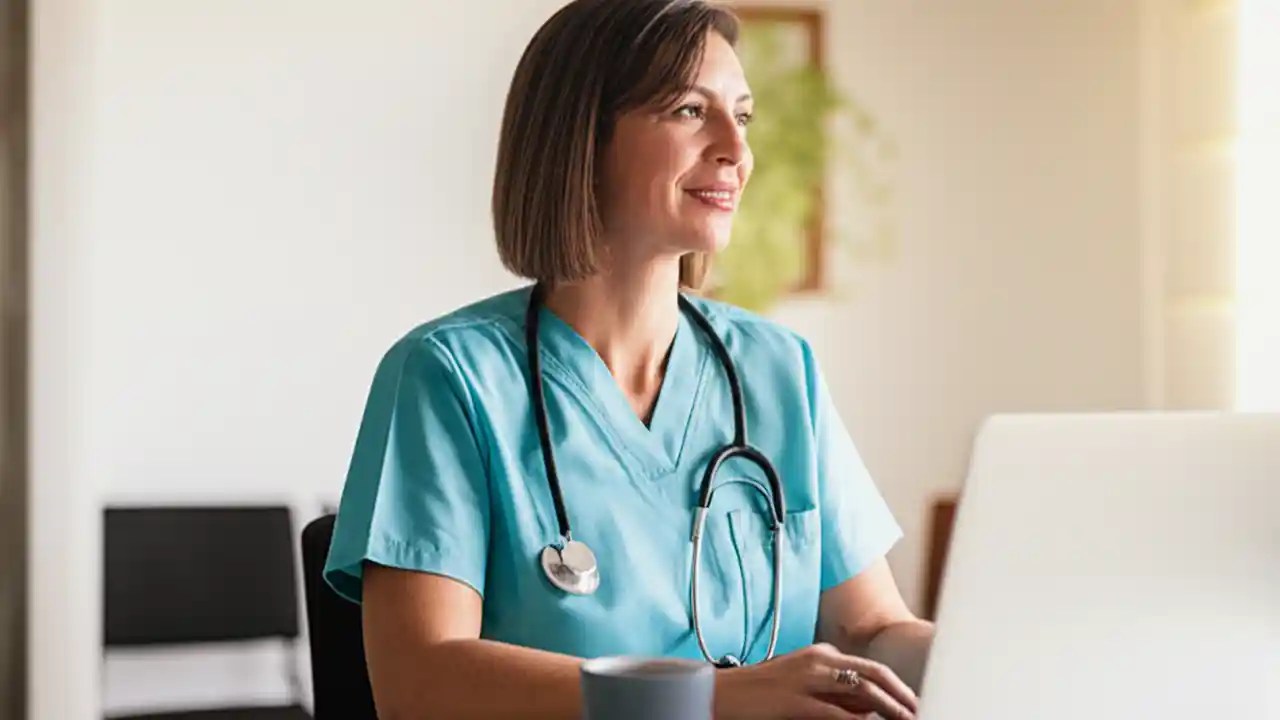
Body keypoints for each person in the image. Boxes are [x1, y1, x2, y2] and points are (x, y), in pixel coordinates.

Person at [324, 1, 934, 717]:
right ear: (582, 137)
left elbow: (869, 629)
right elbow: (420, 681)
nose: (735, 152)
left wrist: (1013, 647)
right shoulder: (449, 377)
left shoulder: (778, 370)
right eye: (687, 110)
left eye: (741, 116)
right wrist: (714, 699)